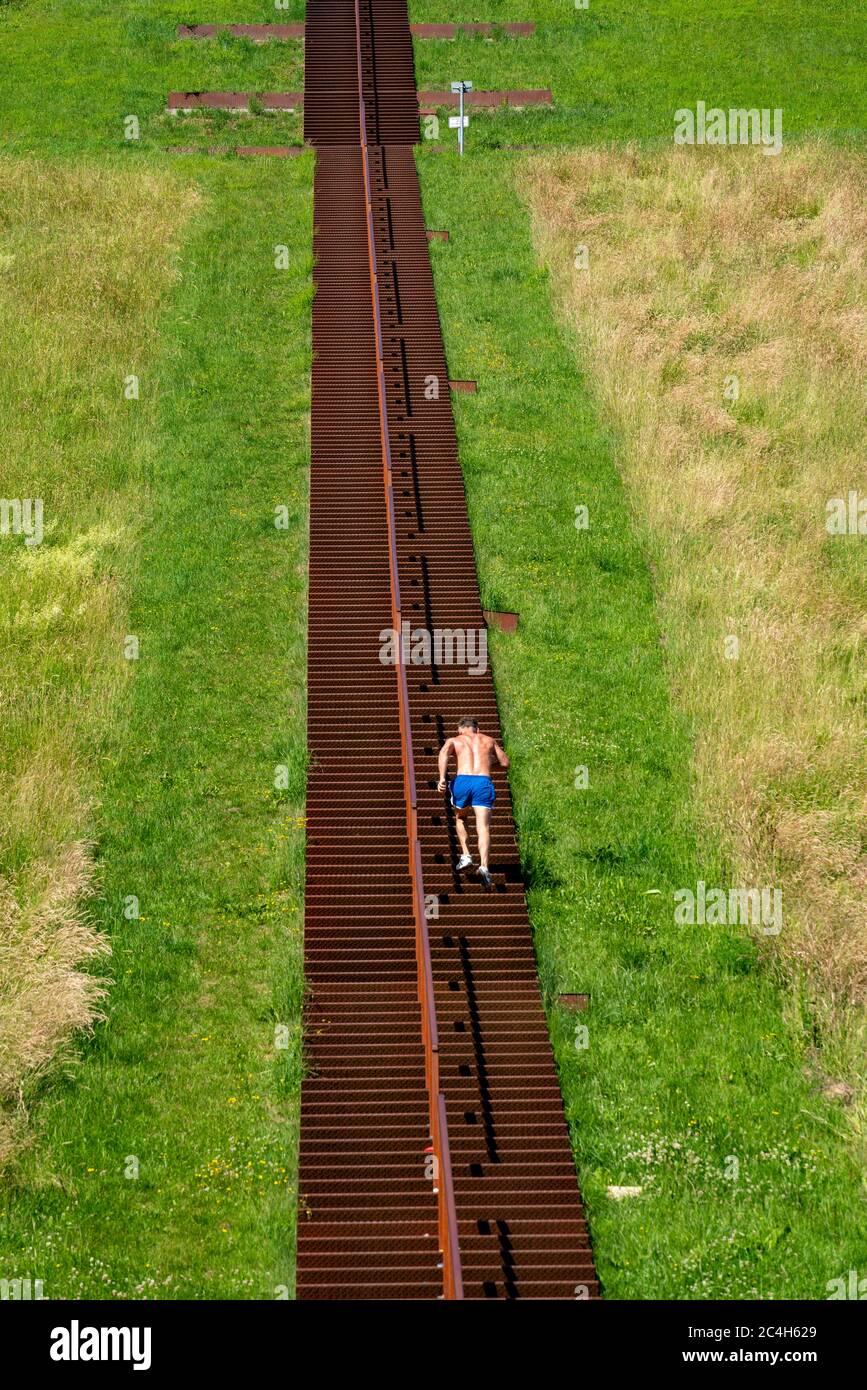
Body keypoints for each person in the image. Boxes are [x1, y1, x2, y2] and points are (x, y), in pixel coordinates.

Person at [436, 717, 509, 890]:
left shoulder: (455, 740)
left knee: (461, 817)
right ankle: (484, 866)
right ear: (477, 728)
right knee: (483, 827)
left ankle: (467, 855)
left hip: (462, 781)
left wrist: (441, 778)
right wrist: (488, 766)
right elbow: (505, 763)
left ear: (460, 729)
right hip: (483, 782)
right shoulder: (489, 740)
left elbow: (444, 754)